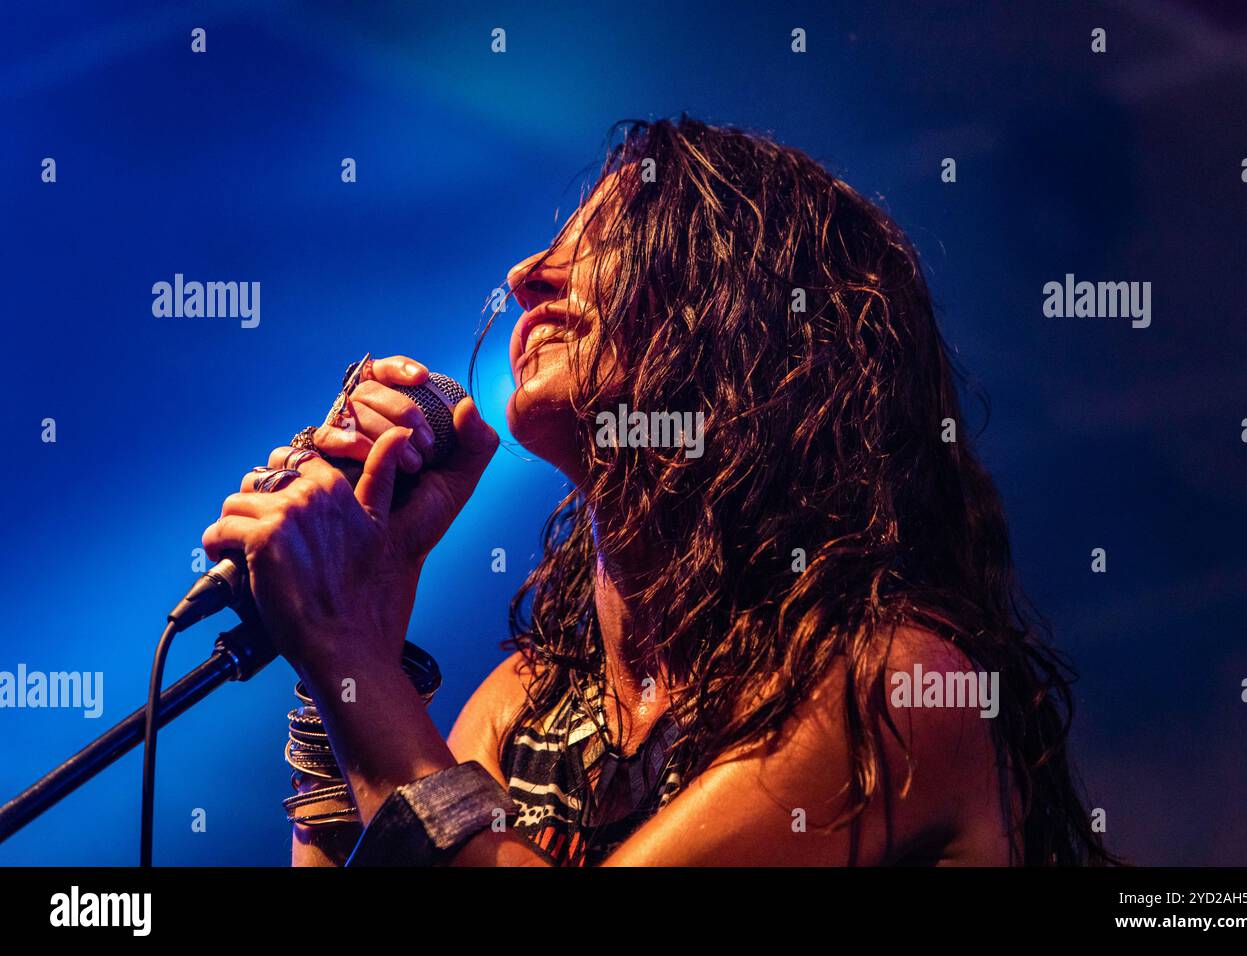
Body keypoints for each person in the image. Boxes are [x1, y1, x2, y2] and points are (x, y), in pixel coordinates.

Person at [202, 117, 1111, 866]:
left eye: (609, 242)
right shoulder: (526, 709)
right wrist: (350, 646)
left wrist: (347, 651)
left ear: (741, 318)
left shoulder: (894, 688)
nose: (527, 277)